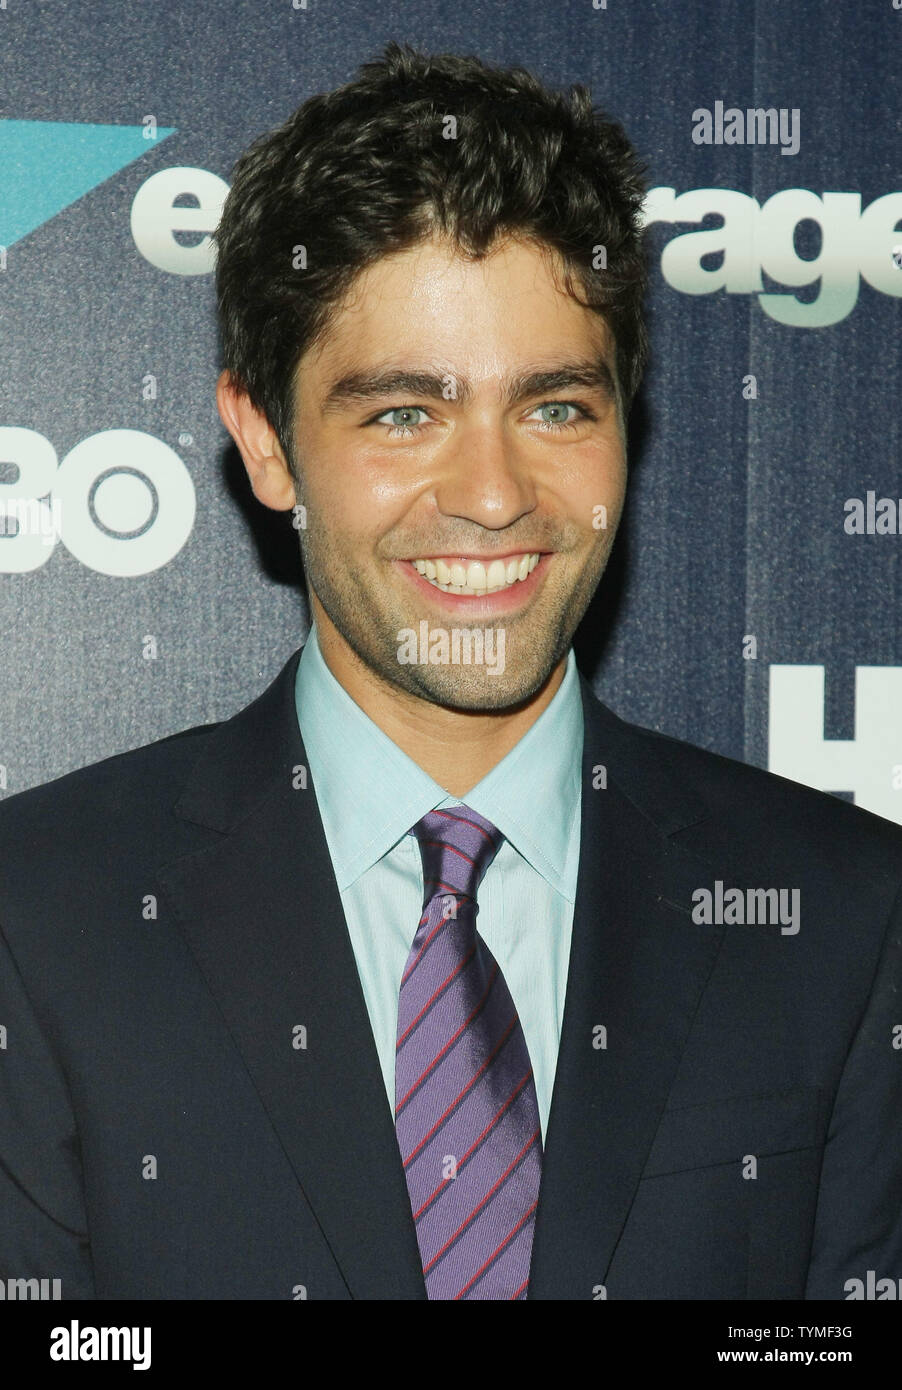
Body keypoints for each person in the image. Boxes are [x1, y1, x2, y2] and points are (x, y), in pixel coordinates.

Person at [1, 41, 900, 1302]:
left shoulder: (845, 917)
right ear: (264, 442)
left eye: (553, 409)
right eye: (402, 414)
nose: (492, 495)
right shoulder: (36, 921)